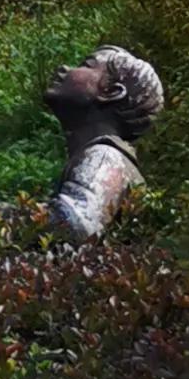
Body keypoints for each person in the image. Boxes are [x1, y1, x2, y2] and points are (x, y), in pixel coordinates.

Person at [45, 43, 163, 241]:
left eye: (87, 64)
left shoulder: (104, 157)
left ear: (111, 91)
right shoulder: (104, 154)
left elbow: (75, 223)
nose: (65, 68)